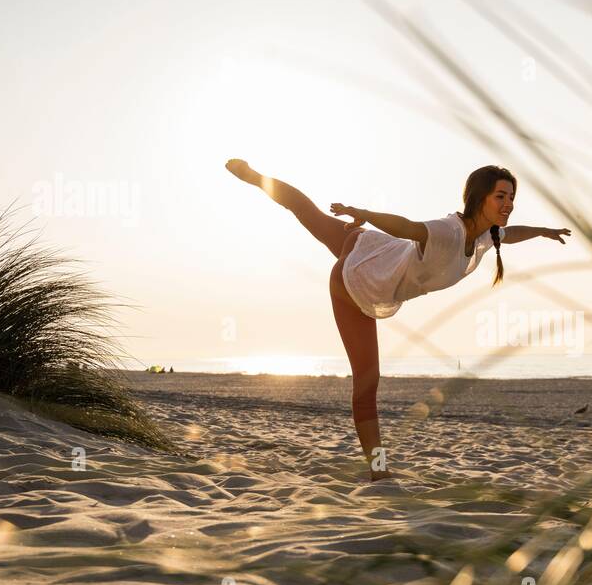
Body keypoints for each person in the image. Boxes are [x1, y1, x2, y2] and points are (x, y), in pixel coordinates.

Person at [225, 159, 571, 479]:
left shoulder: (486, 235)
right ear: (480, 197)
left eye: (511, 196)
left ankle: (255, 177)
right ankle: (378, 469)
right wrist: (362, 211)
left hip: (367, 244)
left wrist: (543, 230)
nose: (508, 203)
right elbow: (406, 227)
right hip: (355, 282)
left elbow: (514, 233)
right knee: (367, 382)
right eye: (501, 196)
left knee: (305, 210)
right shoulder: (448, 231)